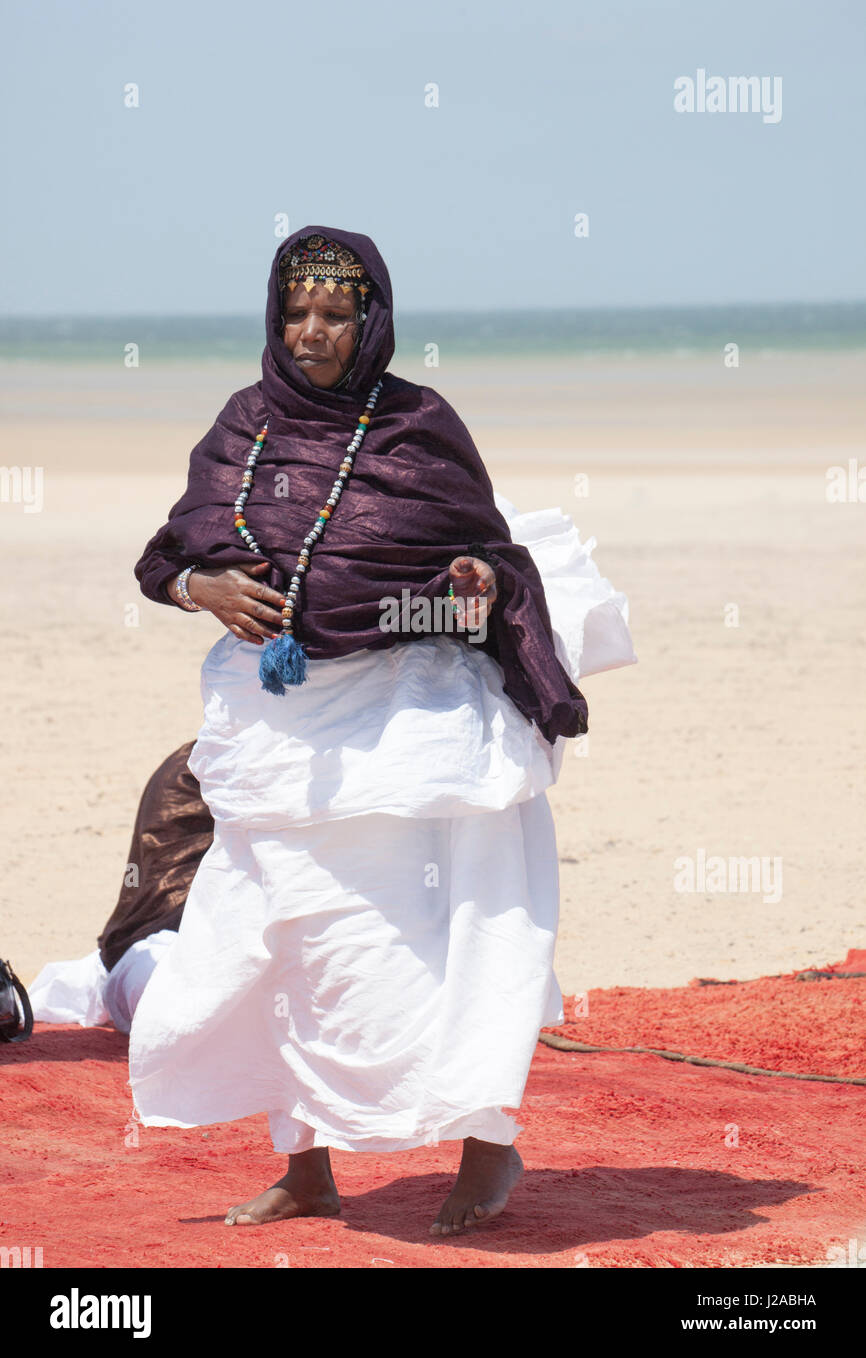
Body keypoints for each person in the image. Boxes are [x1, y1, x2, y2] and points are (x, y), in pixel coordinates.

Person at [39, 227, 637, 1238]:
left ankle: (486, 1148)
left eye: (334, 314)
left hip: (404, 725)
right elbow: (163, 559)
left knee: (425, 947)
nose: (312, 331)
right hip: (274, 731)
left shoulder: (417, 425)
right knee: (275, 945)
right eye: (297, 313)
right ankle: (305, 1166)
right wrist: (206, 585)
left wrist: (476, 587)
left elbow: (485, 562)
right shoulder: (244, 424)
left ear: (370, 323)